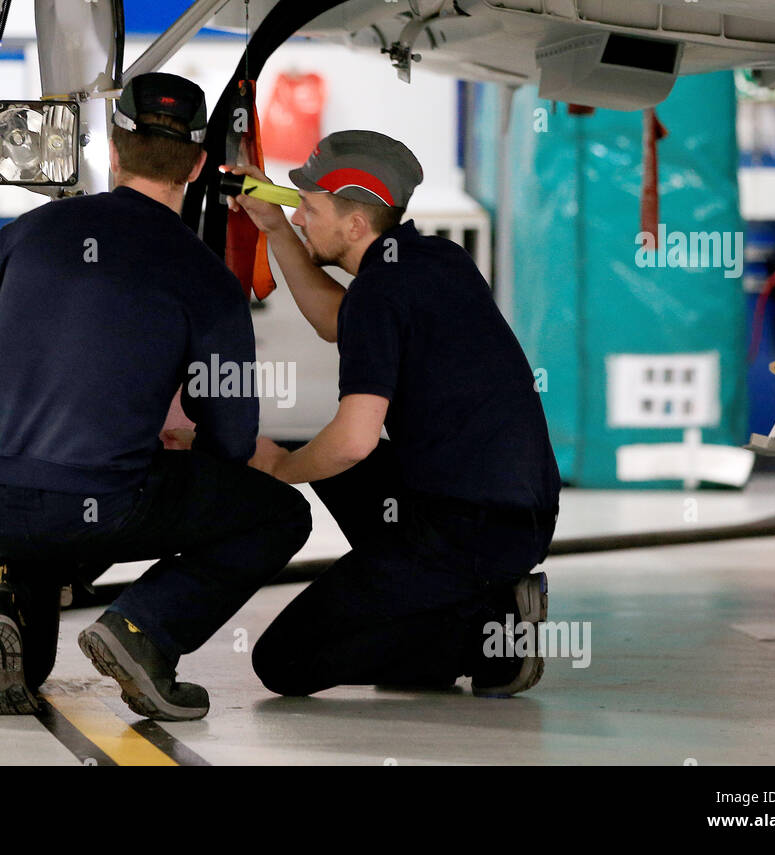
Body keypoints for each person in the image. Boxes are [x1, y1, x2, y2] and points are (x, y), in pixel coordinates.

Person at [0, 72, 312, 721]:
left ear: (112, 149)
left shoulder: (30, 232)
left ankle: (1, 609)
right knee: (279, 515)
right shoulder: (207, 277)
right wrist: (180, 439)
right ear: (197, 164)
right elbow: (232, 436)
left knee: (53, 513)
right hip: (100, 498)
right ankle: (144, 629)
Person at [226, 129, 561, 697]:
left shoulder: (383, 292)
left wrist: (279, 468)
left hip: (470, 529)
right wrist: (276, 227)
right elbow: (336, 320)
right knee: (339, 467)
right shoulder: (433, 260)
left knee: (282, 662)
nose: (301, 216)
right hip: (514, 512)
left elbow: (354, 440)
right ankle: (449, 600)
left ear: (356, 226)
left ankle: (491, 639)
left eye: (308, 208)